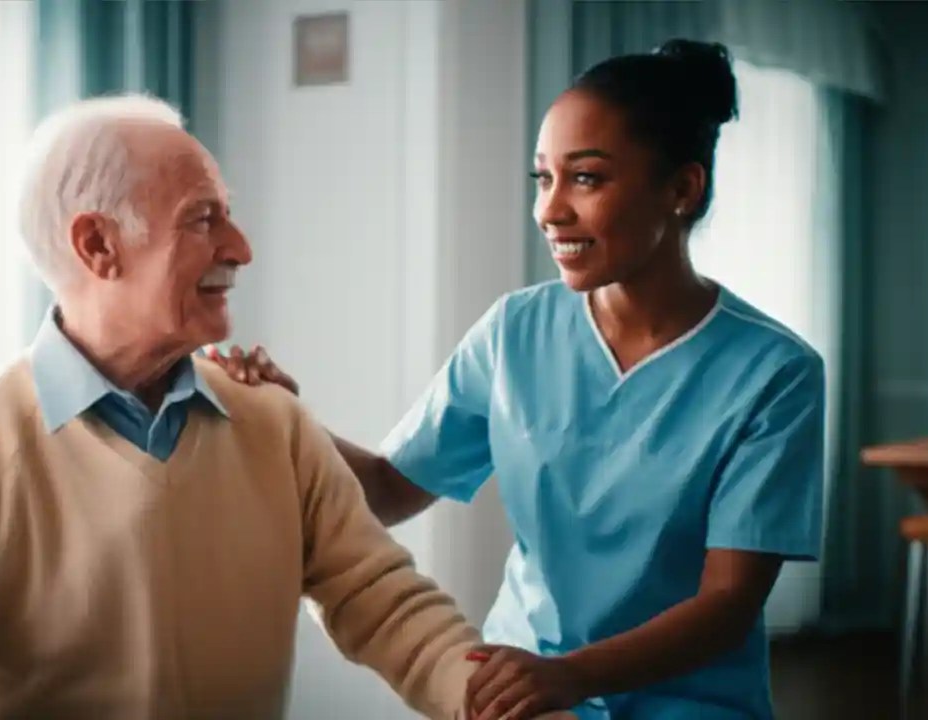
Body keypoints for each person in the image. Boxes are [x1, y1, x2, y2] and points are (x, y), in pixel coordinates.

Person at [0, 95, 492, 720]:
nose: (241, 248)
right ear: (98, 246)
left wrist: (513, 706)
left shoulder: (275, 427)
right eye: (204, 218)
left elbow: (396, 614)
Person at [207, 39, 826, 720]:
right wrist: (283, 417)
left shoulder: (775, 373)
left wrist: (570, 675)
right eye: (543, 178)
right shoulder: (514, 332)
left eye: (585, 178)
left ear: (681, 189)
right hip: (522, 696)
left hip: (680, 704)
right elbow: (385, 489)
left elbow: (728, 605)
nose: (550, 211)